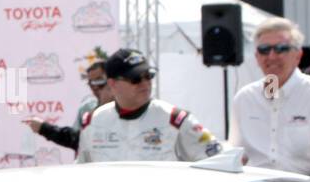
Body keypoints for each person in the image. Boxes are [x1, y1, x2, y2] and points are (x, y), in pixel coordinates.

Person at [230, 16, 310, 175]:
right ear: (256, 57)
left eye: (281, 48)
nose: (272, 56)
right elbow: (237, 155)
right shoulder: (245, 98)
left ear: (298, 55)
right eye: (264, 50)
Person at [76, 48, 222, 162]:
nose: (145, 83)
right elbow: (82, 172)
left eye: (148, 75)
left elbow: (216, 162)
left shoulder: (176, 120)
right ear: (112, 84)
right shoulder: (93, 122)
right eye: (135, 78)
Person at [24, 56, 111, 152]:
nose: (95, 87)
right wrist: (44, 128)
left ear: (112, 81)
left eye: (99, 80)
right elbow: (76, 139)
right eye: (90, 83)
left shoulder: (126, 106)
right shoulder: (87, 108)